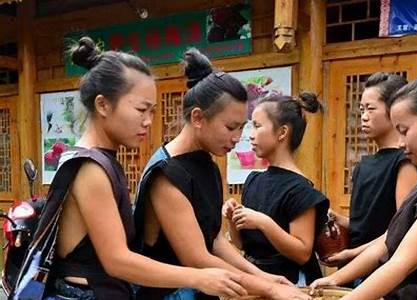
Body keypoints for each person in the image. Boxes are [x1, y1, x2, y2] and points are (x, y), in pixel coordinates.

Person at [44, 37, 249, 300]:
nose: (149, 121)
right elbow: (117, 261)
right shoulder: (90, 168)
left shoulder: (100, 160)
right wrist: (199, 276)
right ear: (103, 105)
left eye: (152, 111)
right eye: (141, 109)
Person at [133, 48, 311, 300]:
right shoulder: (167, 174)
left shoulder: (208, 163)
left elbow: (214, 239)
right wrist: (269, 289)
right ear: (198, 117)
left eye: (242, 127)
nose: (237, 138)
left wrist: (262, 275)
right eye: (230, 127)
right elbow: (196, 258)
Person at [310, 70, 417, 300]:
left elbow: (400, 263)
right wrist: (336, 278)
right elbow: (388, 241)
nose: (401, 142)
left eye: (404, 131)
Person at [222, 92, 330, 286]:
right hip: (256, 280)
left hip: (291, 283)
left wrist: (264, 223)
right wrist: (232, 218)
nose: (250, 135)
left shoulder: (301, 190)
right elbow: (241, 244)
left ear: (282, 132)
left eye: (257, 126)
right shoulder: (253, 180)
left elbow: (302, 253)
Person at [325, 73, 417, 275]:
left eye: (371, 108)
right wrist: (340, 220)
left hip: (382, 271)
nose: (363, 116)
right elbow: (368, 226)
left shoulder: (404, 162)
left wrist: (353, 254)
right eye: (361, 109)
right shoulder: (364, 165)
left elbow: (401, 230)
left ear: (395, 110)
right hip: (355, 269)